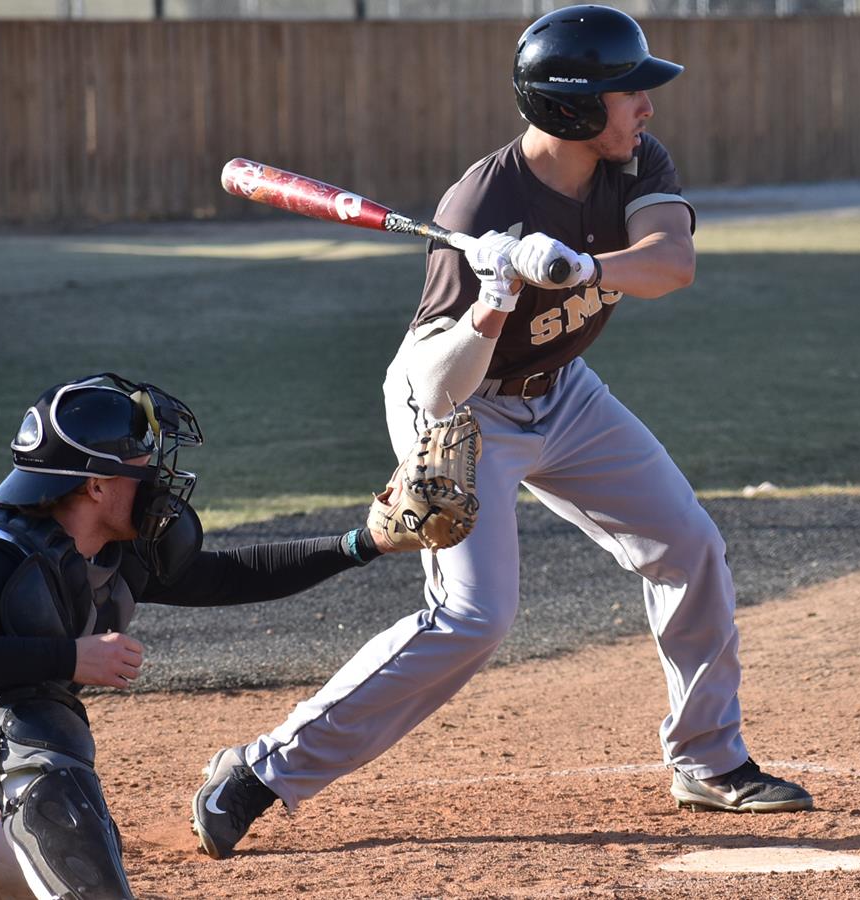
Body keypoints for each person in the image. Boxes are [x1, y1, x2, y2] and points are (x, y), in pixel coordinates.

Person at [190, 2, 812, 862]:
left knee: (689, 546)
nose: (647, 106)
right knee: (474, 618)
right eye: (628, 92)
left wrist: (585, 266)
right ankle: (260, 772)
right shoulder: (482, 201)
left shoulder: (632, 159)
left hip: (565, 393)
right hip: (460, 402)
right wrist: (492, 299)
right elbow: (442, 379)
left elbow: (673, 261)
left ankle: (708, 760)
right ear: (574, 107)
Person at [0, 373, 410, 899]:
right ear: (96, 485)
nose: (159, 477)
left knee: (61, 850)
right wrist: (69, 658)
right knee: (34, 726)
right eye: (144, 463)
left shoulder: (94, 552)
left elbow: (227, 575)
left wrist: (364, 543)